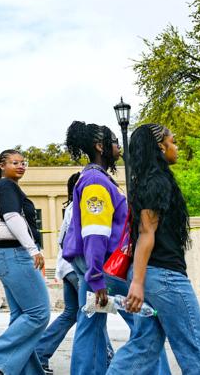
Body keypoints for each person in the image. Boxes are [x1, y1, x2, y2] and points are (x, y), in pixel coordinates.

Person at [60, 121, 169, 375]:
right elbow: (95, 233)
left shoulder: (94, 178)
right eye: (115, 142)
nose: (119, 147)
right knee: (147, 323)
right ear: (100, 146)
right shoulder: (96, 181)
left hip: (96, 265)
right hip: (106, 266)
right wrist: (97, 275)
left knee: (90, 324)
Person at [107, 124, 200, 375]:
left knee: (144, 347)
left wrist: (139, 280)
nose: (176, 147)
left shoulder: (144, 181)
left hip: (151, 275)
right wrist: (137, 284)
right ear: (160, 146)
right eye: (173, 141)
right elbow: (146, 233)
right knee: (195, 349)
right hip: (165, 277)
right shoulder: (157, 181)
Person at [0, 149, 49, 375]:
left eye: (23, 162)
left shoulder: (3, 187)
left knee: (21, 316)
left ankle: (24, 371)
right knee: (39, 313)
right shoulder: (7, 186)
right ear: (1, 165)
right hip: (15, 255)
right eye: (14, 162)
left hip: (4, 256)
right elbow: (12, 217)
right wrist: (32, 249)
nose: (21, 166)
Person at [34, 171, 82, 373]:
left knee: (71, 313)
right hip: (76, 267)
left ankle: (39, 354)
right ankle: (107, 358)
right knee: (92, 314)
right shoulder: (79, 207)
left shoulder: (70, 207)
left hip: (66, 266)